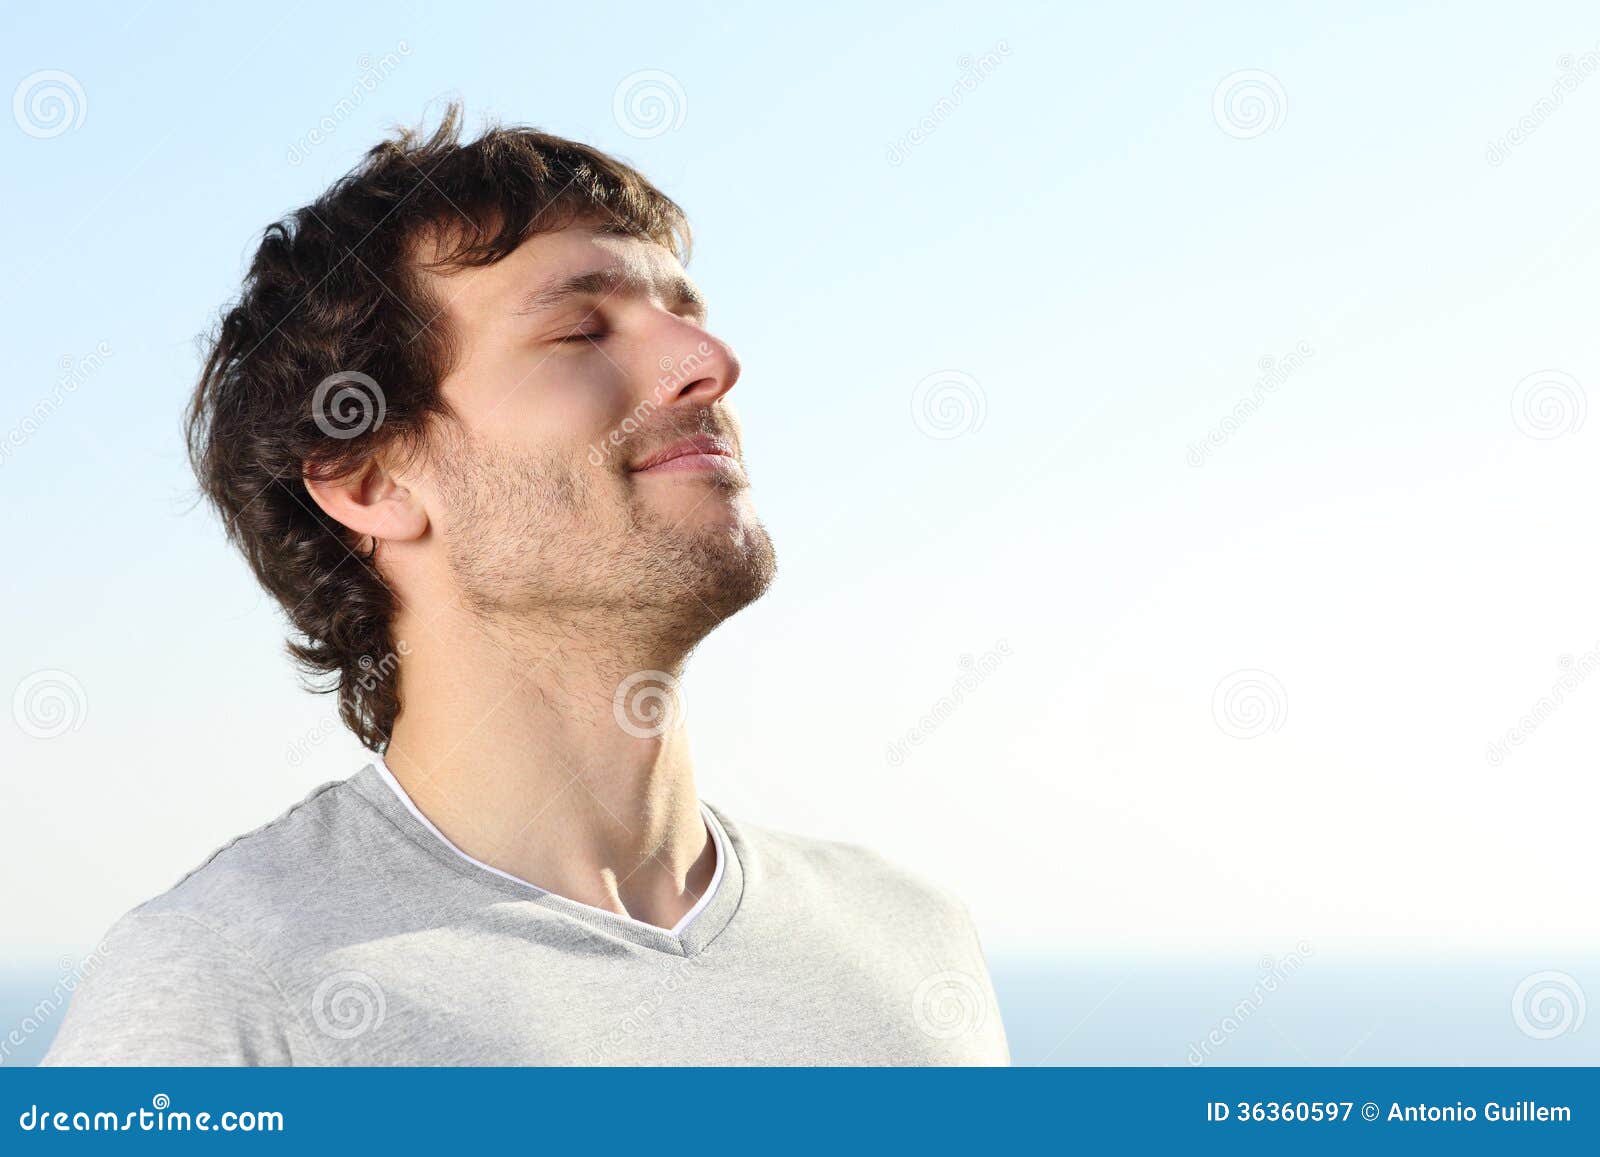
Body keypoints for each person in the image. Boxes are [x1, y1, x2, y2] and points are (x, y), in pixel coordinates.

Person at [44, 106, 1008, 1066]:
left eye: (688, 318)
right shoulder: (225, 984)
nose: (711, 364)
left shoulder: (914, 943)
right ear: (372, 482)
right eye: (580, 331)